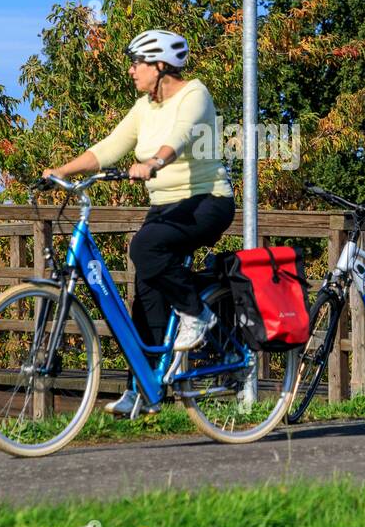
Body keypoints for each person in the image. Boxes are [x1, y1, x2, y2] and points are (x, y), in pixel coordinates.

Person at [42, 28, 236, 416]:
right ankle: (146, 386)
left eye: (138, 63)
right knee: (145, 292)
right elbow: (110, 147)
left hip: (206, 201)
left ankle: (198, 313)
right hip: (166, 206)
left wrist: (154, 162)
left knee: (145, 247)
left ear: (161, 66)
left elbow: (179, 138)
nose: (132, 70)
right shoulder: (145, 106)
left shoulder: (195, 94)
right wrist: (59, 171)